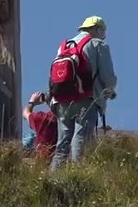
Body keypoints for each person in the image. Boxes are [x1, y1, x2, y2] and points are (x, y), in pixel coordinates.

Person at [50, 16, 118, 169]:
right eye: (103, 32)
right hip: (86, 97)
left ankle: (54, 177)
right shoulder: (98, 44)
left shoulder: (64, 46)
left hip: (61, 99)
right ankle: (77, 173)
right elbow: (108, 76)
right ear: (96, 28)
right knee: (81, 137)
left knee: (63, 142)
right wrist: (109, 91)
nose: (103, 35)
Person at [23, 91, 58, 163]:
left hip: (44, 162)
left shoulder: (44, 118)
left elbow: (25, 114)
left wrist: (32, 102)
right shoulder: (71, 117)